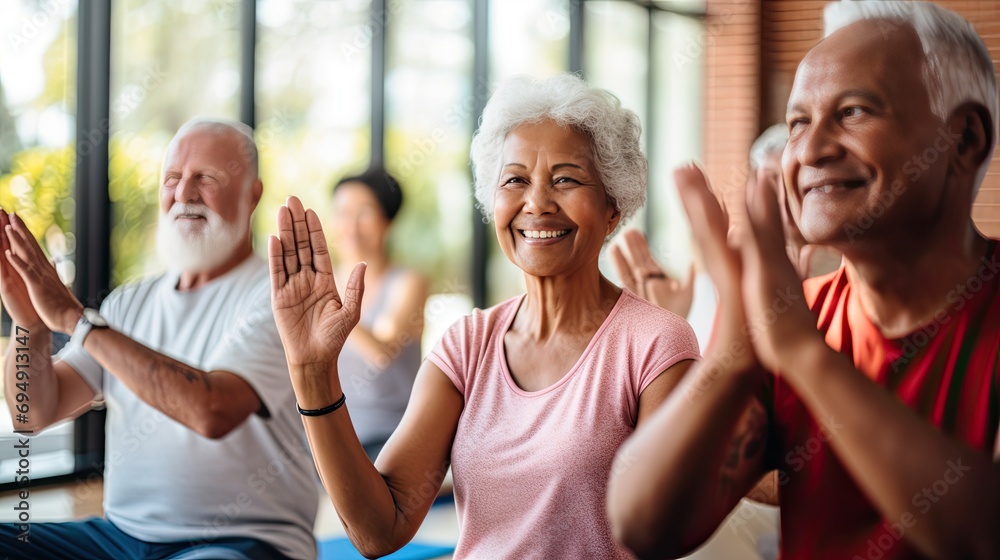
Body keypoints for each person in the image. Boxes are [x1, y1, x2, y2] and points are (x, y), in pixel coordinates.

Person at [607, 2, 999, 559]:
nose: (811, 151)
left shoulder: (793, 332)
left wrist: (802, 353)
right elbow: (642, 524)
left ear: (963, 140)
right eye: (798, 123)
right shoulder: (794, 317)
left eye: (854, 111)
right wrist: (733, 347)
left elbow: (984, 535)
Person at [268, 73, 700, 558]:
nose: (537, 202)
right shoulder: (467, 343)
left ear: (612, 208)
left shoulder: (656, 343)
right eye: (515, 180)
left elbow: (664, 531)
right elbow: (379, 530)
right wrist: (311, 372)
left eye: (566, 179)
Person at [0, 118, 318, 559]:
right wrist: (29, 327)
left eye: (206, 178)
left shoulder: (279, 298)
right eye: (172, 178)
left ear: (252, 193)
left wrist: (77, 321)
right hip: (118, 538)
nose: (184, 193)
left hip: (242, 542)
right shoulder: (128, 303)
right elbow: (31, 413)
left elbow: (212, 411)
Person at [329, 168, 427, 461]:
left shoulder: (407, 282)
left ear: (388, 221)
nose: (351, 226)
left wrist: (330, 302)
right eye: (342, 213)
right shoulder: (324, 283)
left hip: (388, 438)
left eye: (363, 213)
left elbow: (381, 353)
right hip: (327, 435)